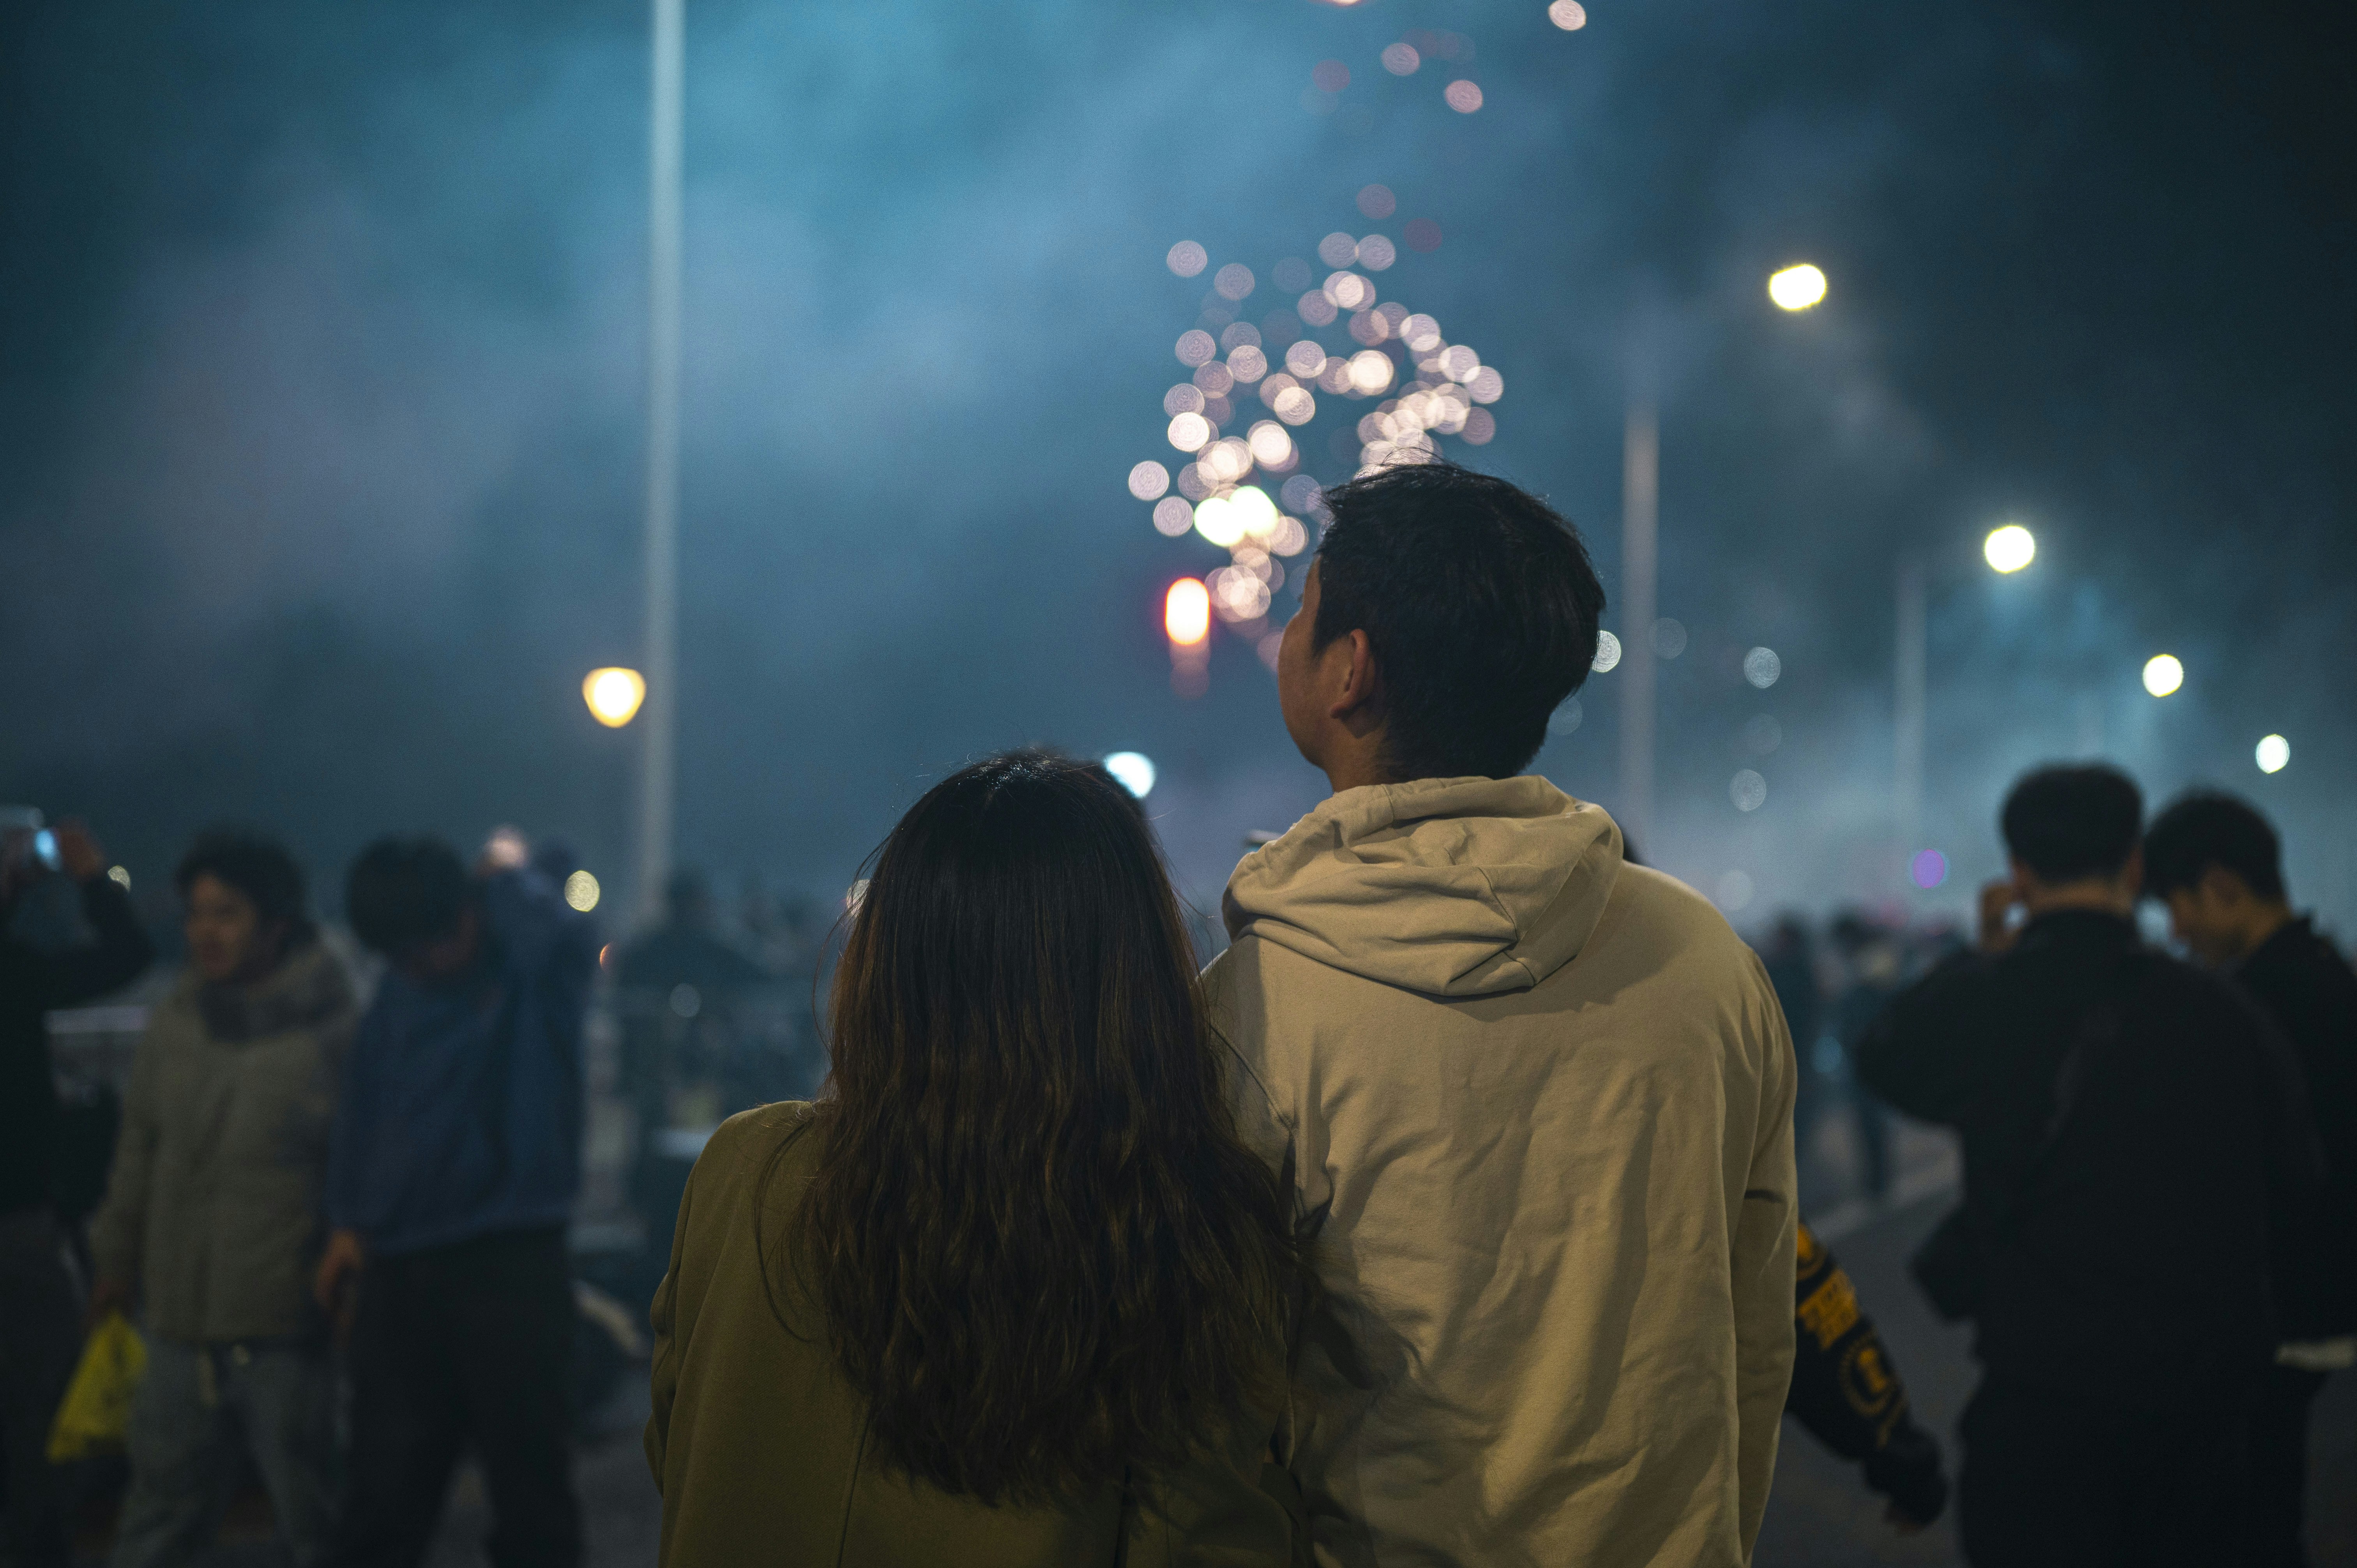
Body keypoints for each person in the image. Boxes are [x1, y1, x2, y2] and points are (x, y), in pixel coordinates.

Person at [1201, 462, 1798, 1568]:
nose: (1285, 635)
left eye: (1303, 610)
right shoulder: (1706, 962)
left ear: (1353, 672)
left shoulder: (1254, 1006)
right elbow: (1755, 1328)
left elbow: (1222, 1407)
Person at [646, 752, 1313, 1565]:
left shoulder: (743, 1170)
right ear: (1135, 979)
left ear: (887, 960)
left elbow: (674, 1443)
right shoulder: (1185, 1228)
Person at [1857, 764, 2318, 1567]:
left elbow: (1887, 1055)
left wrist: (1988, 953)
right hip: (2201, 1412)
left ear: (2021, 873)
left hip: (2046, 1401)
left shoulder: (1990, 1001)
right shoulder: (2221, 1012)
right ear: (2135, 864)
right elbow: (2297, 1183)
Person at [319, 833, 597, 1568]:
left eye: (438, 939)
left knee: (530, 1494)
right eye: (405, 953)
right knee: (381, 1495)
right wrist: (348, 1221)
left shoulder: (536, 971)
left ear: (470, 910)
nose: (426, 963)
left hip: (512, 1258)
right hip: (403, 1264)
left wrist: (505, 876)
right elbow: (367, 1103)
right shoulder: (401, 983)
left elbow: (569, 931)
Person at [86, 832, 355, 1568]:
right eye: (195, 912)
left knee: (317, 1526)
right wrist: (113, 1260)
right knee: (157, 1519)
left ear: (276, 924)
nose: (204, 930)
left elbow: (358, 1173)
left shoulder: (334, 1028)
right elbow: (140, 1147)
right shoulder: (178, 1020)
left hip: (284, 1329)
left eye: (227, 913)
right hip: (177, 1322)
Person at [2143, 789, 2357, 1567]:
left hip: (2273, 1316)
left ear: (2222, 885)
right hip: (2312, 1307)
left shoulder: (2256, 1004)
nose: (2176, 929)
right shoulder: (2330, 974)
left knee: (2249, 1525)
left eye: (2178, 903)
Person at [0, 818, 153, 1568]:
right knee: (43, 1417)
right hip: (18, 1227)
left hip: (22, 1223)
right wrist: (91, 875)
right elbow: (127, 954)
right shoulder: (15, 965)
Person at [1783, 1222, 1949, 1532]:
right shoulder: (1857, 1438)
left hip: (1799, 1246)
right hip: (1771, 1274)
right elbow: (1792, 1384)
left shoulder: (1896, 1403)